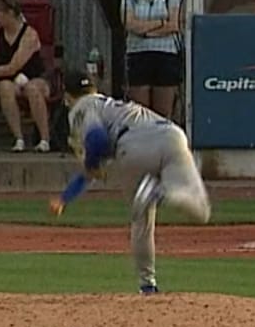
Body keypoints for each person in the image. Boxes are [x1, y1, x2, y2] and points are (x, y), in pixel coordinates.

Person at [48, 70, 212, 295]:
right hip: (172, 135)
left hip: (133, 146)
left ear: (67, 96)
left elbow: (97, 140)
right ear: (94, 89)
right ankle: (161, 193)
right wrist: (68, 194)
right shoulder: (112, 105)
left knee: (141, 219)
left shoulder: (81, 108)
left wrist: (91, 166)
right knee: (201, 212)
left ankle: (148, 285)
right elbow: (93, 162)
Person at [0, 0, 53, 153]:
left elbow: (13, 67)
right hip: (6, 79)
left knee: (33, 89)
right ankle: (19, 138)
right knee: (5, 88)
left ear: (10, 13)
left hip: (32, 75)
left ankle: (45, 140)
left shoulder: (29, 34)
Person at [120, 0, 183, 120]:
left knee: (163, 113)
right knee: (140, 113)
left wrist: (146, 31)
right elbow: (131, 25)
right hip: (138, 55)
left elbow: (174, 24)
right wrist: (160, 23)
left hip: (165, 55)